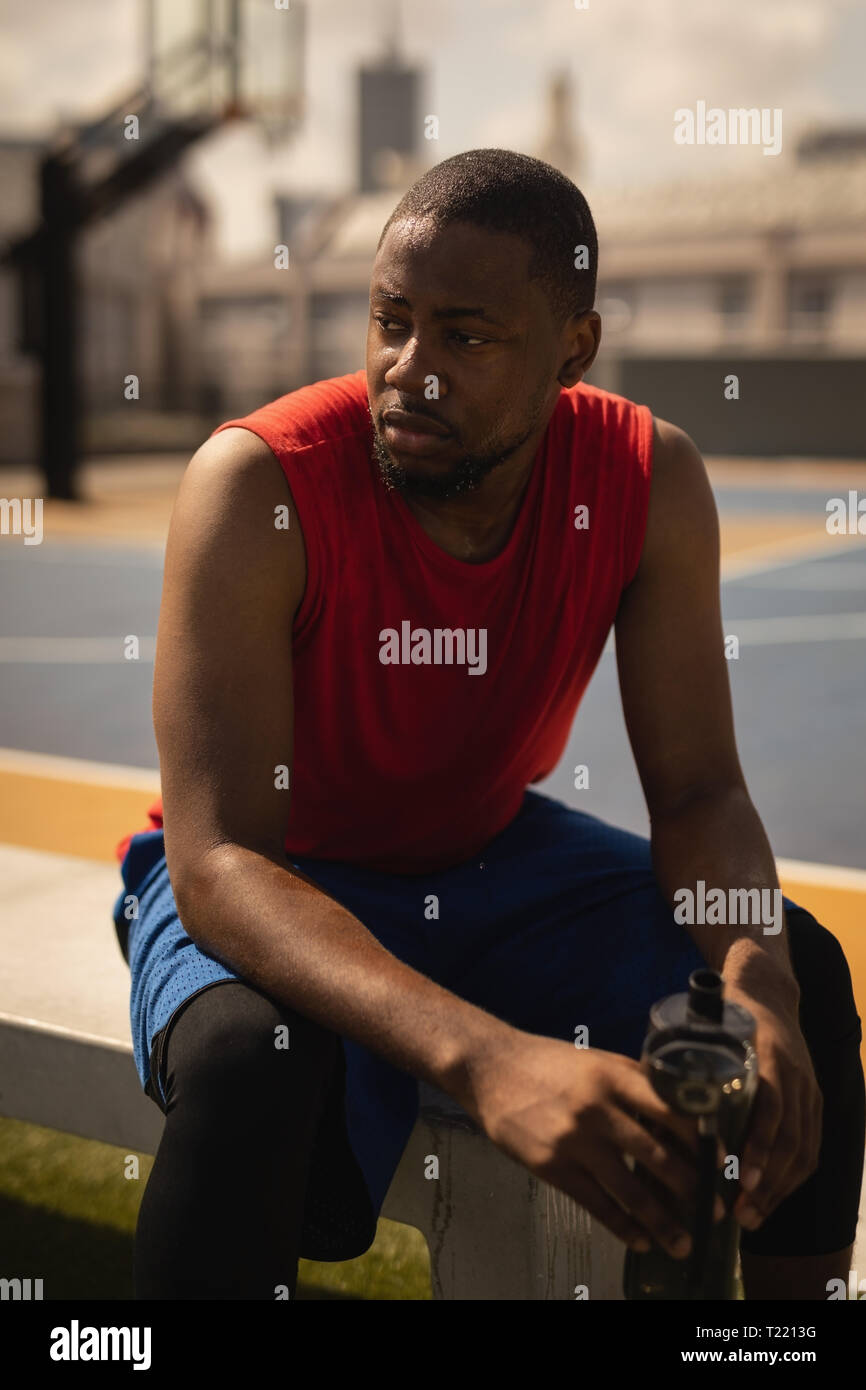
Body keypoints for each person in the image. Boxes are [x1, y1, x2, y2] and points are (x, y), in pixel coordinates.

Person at [112, 149, 864, 1301]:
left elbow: (700, 793)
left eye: (464, 337)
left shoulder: (645, 478)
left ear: (572, 349)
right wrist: (491, 1058)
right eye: (390, 321)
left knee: (791, 970)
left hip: (489, 855)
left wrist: (756, 982)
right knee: (246, 1064)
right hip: (279, 868)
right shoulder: (255, 483)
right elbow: (219, 862)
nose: (408, 370)